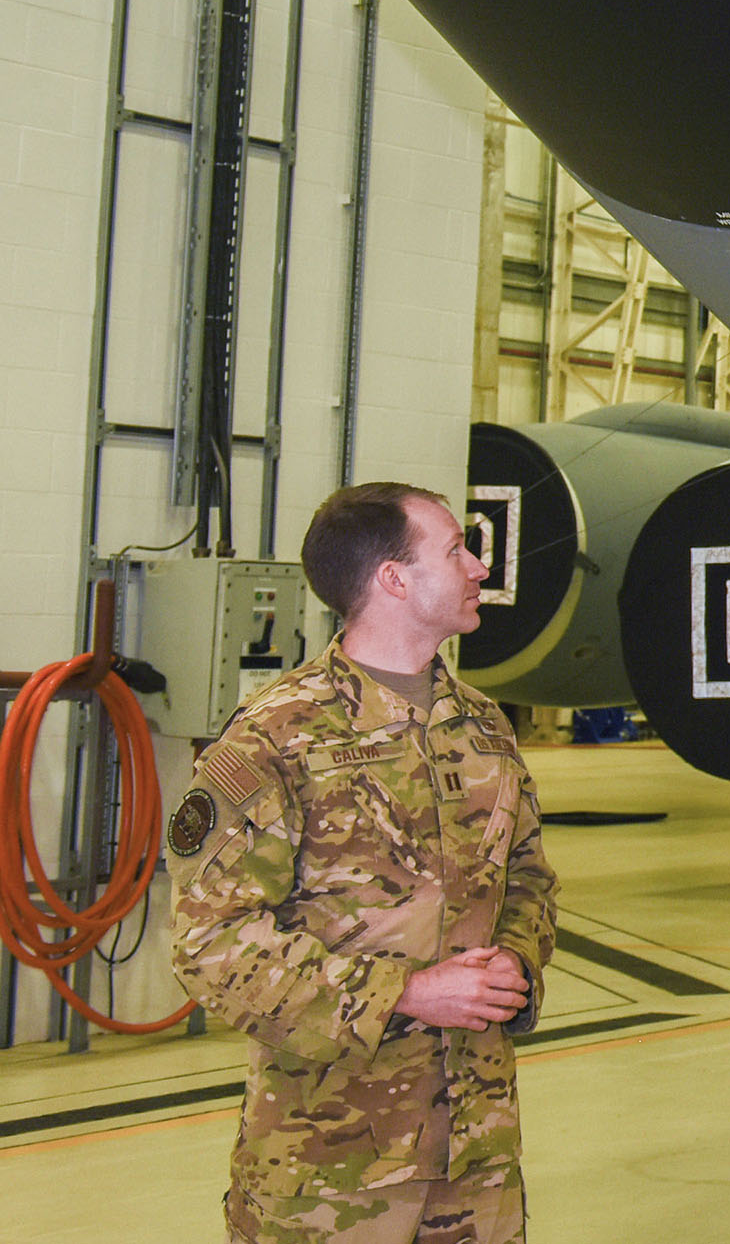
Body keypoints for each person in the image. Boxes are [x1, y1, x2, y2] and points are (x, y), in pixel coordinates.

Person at [169, 481, 559, 1244]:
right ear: (394, 578)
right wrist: (407, 994)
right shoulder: (277, 736)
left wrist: (517, 960)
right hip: (329, 1171)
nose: (479, 567)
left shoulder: (481, 725)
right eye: (455, 549)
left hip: (477, 1156)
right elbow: (209, 943)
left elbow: (529, 877)